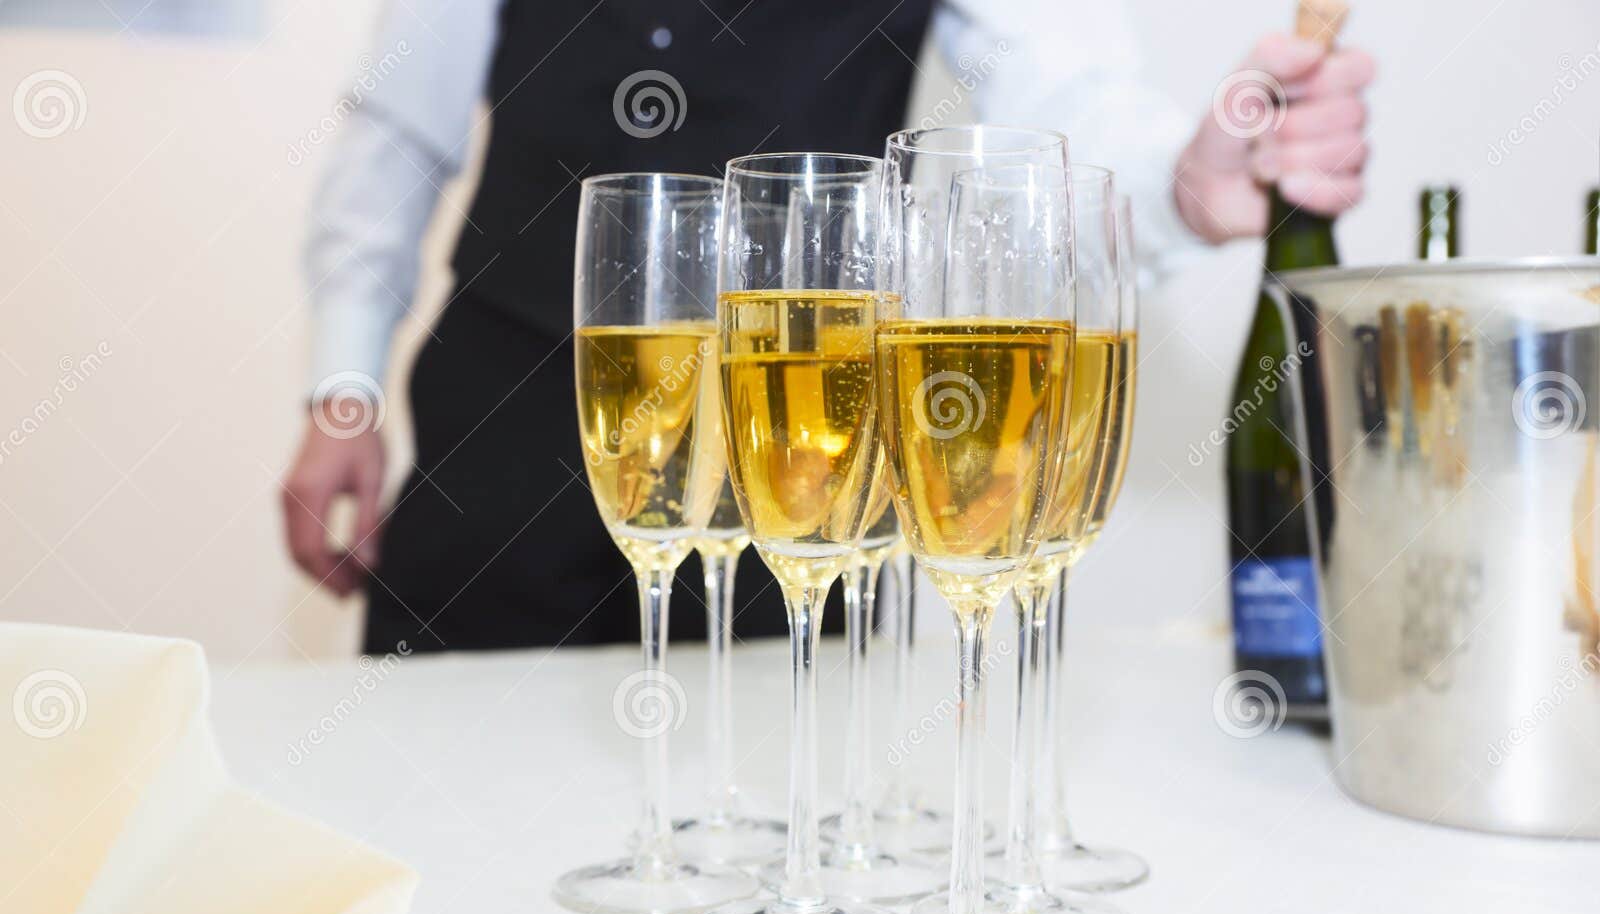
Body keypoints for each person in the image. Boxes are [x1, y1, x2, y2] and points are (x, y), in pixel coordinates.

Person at [281, 0, 1375, 654]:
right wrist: (344, 391)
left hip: (806, 444)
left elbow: (1068, 105)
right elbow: (398, 130)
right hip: (504, 422)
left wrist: (1182, 187)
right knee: (444, 813)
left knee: (771, 829)